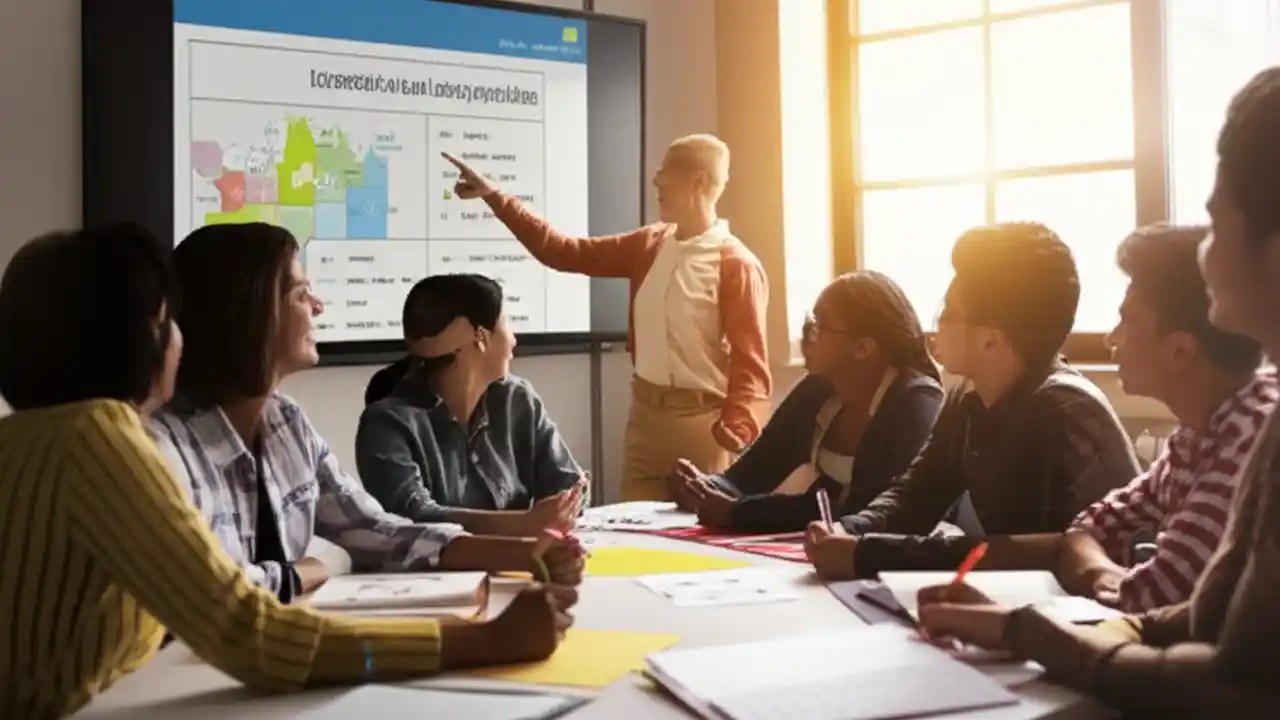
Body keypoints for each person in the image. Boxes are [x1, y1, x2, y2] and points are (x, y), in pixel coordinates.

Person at [0, 225, 577, 719]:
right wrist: (488, 640)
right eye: (167, 321)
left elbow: (369, 530)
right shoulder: (108, 439)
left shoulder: (42, 438)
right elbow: (249, 633)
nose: (181, 336)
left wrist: (524, 551)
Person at [914, 67, 1280, 716]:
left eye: (1217, 222)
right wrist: (1011, 623)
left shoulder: (1250, 426)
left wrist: (1030, 629)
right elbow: (1200, 620)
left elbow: (1233, 682)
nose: (1202, 252)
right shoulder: (1237, 428)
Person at [151, 224, 584, 603]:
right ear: (251, 312)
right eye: (302, 295)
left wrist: (527, 554)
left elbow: (376, 530)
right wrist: (311, 569)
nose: (318, 306)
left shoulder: (286, 424)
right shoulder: (164, 446)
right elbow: (209, 590)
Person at [442, 134, 772, 501]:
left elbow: (751, 366)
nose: (656, 182)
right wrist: (495, 198)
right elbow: (562, 251)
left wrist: (735, 431)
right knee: (635, 538)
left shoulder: (737, 265)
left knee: (700, 547)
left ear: (697, 180)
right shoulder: (650, 244)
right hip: (646, 419)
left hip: (702, 425)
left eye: (666, 173)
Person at [804, 222, 1139, 580]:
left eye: (946, 315)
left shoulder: (1061, 411)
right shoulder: (968, 398)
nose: (936, 328)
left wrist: (866, 553)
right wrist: (849, 530)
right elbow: (915, 497)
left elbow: (1019, 555)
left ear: (991, 340)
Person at [1051, 225, 1275, 612]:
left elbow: (1153, 599)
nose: (1111, 338)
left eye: (1128, 320)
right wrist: (1102, 575)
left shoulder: (1246, 442)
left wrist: (1097, 574)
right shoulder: (1195, 437)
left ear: (1179, 350)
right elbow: (1086, 529)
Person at [666, 271, 944, 533]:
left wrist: (740, 513)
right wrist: (703, 489)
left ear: (863, 348)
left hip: (901, 562)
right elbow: (751, 473)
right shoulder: (819, 390)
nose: (806, 338)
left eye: (818, 327)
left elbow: (864, 508)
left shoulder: (915, 402)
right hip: (839, 546)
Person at [356, 273, 587, 535]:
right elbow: (411, 517)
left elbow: (567, 483)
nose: (513, 340)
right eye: (506, 324)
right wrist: (525, 523)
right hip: (435, 572)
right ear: (481, 337)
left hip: (521, 564)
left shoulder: (518, 400)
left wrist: (565, 504)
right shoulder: (386, 423)